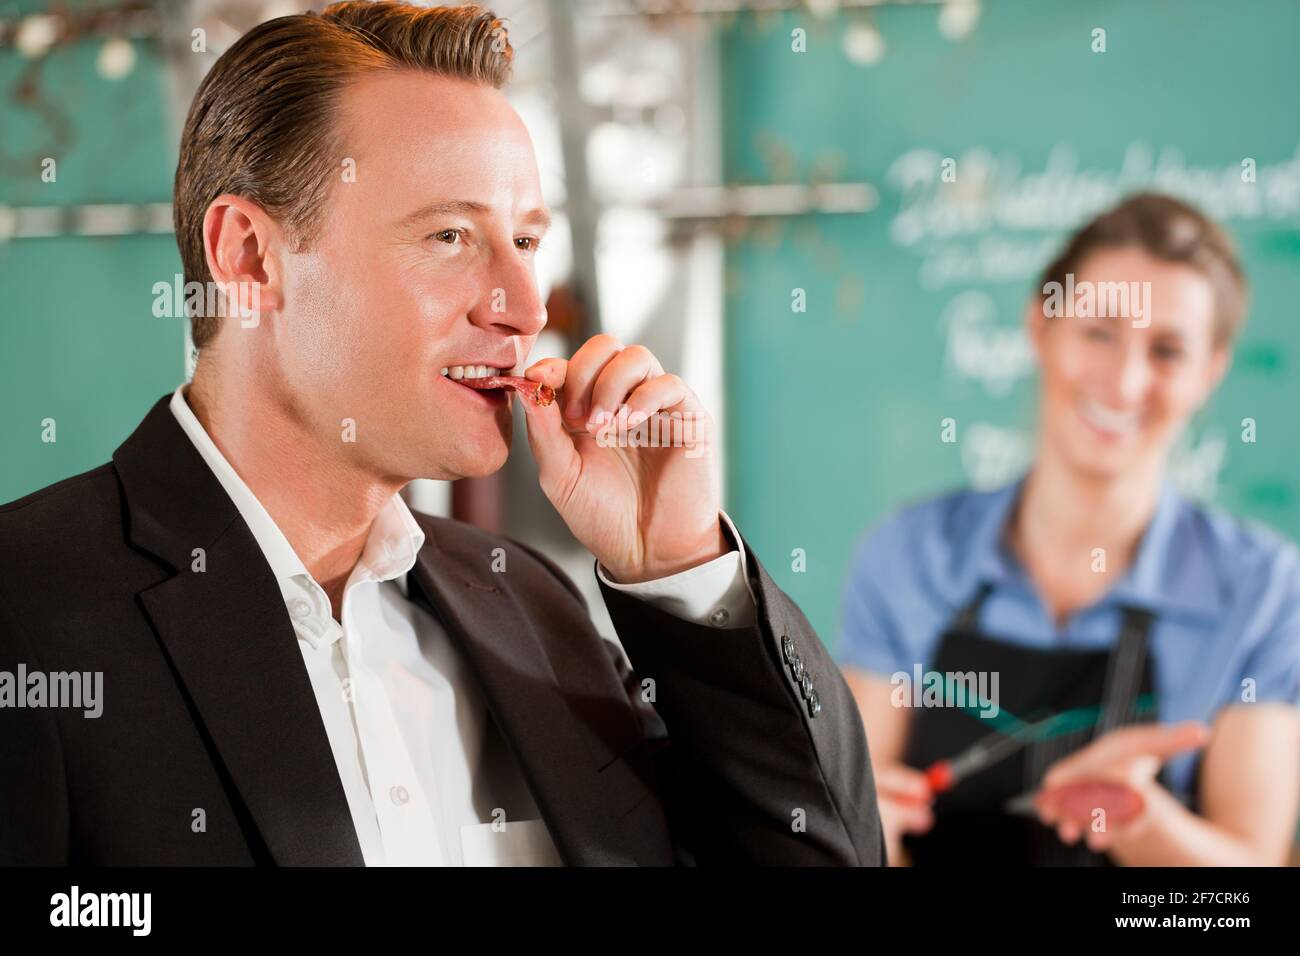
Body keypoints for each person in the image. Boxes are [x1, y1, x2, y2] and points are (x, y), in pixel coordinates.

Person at [0, 2, 883, 867]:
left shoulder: (533, 612)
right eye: (450, 234)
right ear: (249, 258)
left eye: (528, 239)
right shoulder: (27, 614)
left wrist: (679, 567)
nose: (527, 307)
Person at [838, 193, 1300, 866]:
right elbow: (862, 823)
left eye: (1167, 350)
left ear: (1211, 373)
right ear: (1041, 327)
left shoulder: (1262, 589)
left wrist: (1143, 823)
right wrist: (862, 832)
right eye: (1099, 332)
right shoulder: (908, 556)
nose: (1124, 381)